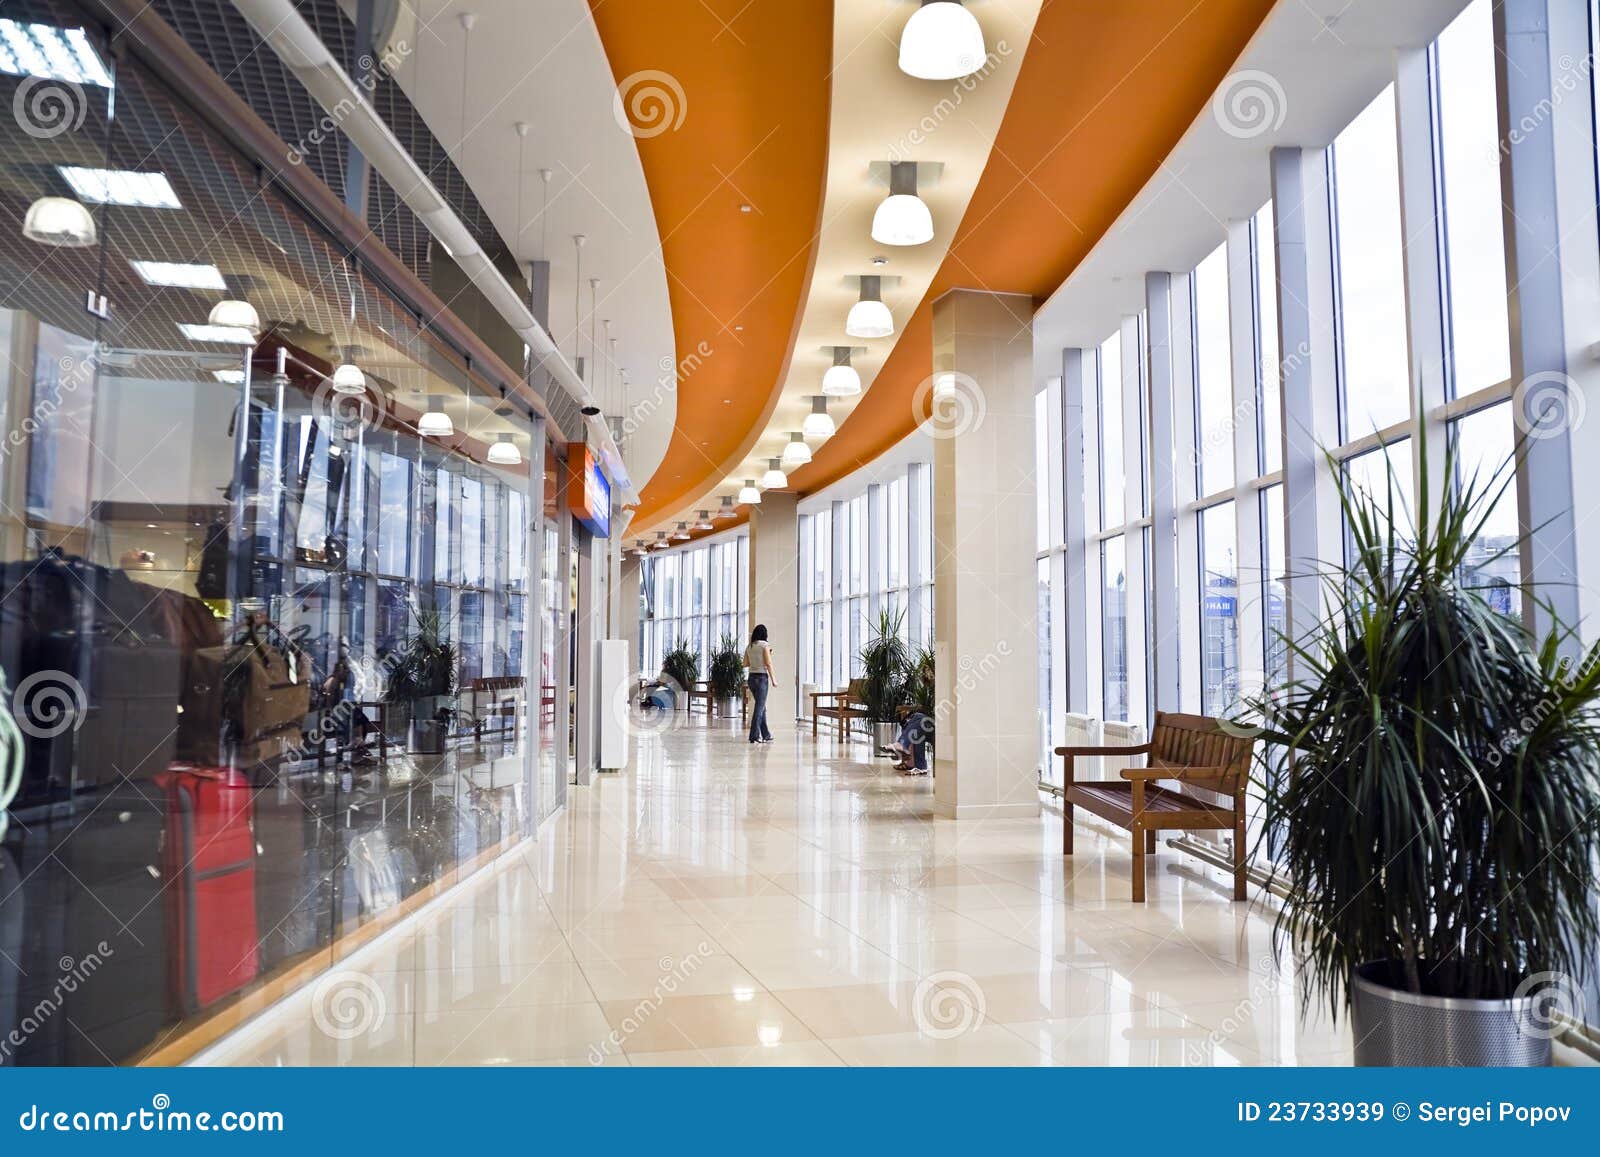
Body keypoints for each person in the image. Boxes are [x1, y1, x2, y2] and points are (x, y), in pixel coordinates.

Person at [743, 624, 774, 744]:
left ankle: (766, 734)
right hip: (762, 678)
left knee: (762, 707)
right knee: (759, 708)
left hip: (751, 678)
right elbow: (769, 664)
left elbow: (744, 663)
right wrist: (774, 680)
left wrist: (755, 660)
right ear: (764, 634)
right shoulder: (765, 645)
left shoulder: (749, 646)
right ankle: (754, 736)